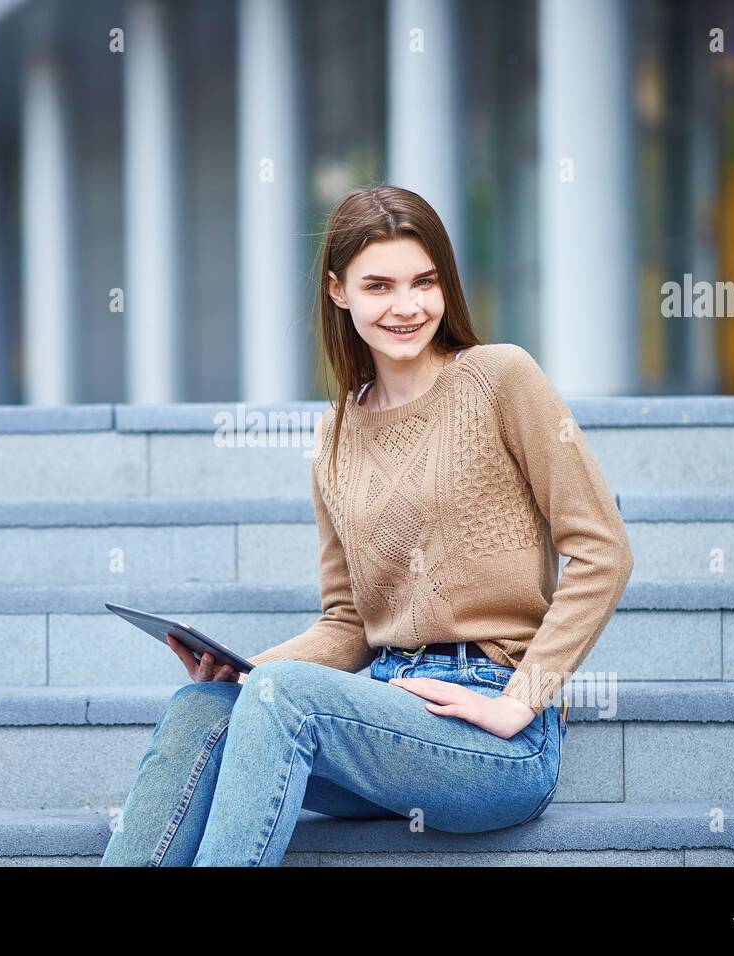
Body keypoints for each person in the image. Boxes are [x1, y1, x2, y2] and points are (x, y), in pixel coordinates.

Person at [100, 184, 634, 866]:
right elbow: (349, 622)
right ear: (338, 291)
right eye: (379, 285)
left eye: (424, 282)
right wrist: (244, 672)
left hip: (494, 734)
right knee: (200, 706)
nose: (407, 306)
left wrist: (521, 700)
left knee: (282, 697)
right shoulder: (335, 436)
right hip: (374, 715)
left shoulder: (502, 378)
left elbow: (602, 548)